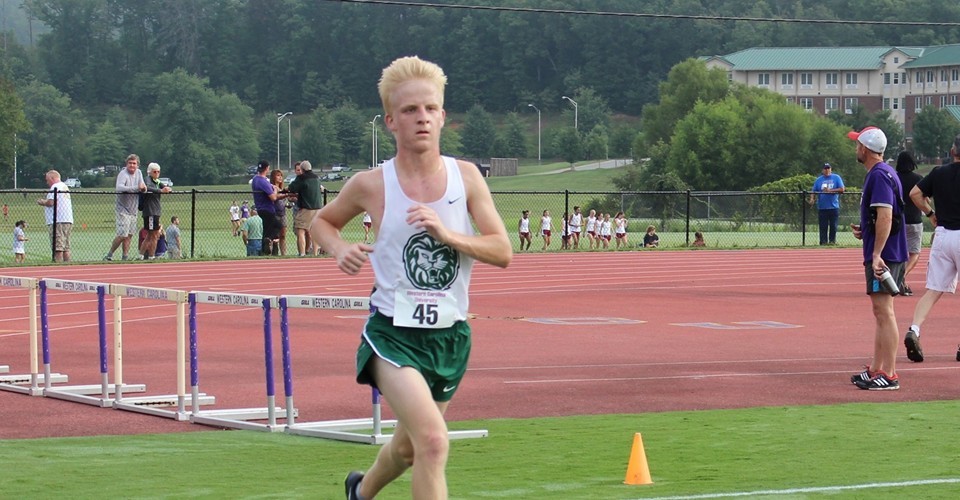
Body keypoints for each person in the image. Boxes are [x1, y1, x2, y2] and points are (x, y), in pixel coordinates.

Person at [309, 55, 512, 500]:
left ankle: (359, 492)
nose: (422, 117)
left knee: (406, 449)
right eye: (410, 110)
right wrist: (339, 248)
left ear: (443, 116)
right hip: (392, 335)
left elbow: (502, 251)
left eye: (430, 108)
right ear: (390, 121)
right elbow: (321, 222)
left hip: (450, 335)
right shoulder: (372, 184)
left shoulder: (466, 178)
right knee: (433, 443)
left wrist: (448, 234)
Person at [847, 126, 907, 391]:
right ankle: (876, 368)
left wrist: (876, 253)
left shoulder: (879, 175)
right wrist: (867, 231)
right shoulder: (884, 172)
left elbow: (885, 215)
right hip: (887, 251)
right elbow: (881, 217)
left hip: (885, 255)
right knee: (880, 311)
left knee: (884, 311)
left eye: (857, 144)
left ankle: (889, 374)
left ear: (865, 148)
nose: (856, 148)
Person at [902, 134, 960, 364]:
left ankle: (914, 329)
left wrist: (930, 213)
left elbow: (915, 194)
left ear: (953, 150)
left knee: (933, 290)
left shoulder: (939, 172)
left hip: (943, 235)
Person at [104, 154, 146, 261]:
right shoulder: (123, 174)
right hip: (122, 208)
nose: (132, 165)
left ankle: (125, 257)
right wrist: (136, 187)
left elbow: (143, 186)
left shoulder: (139, 173)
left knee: (130, 234)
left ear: (137, 165)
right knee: (122, 234)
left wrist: (143, 188)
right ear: (126, 164)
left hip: (133, 208)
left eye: (134, 163)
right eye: (130, 163)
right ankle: (109, 255)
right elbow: (119, 188)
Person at [895, 151, 924, 296]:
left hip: (897, 220)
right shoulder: (918, 179)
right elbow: (925, 198)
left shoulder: (894, 178)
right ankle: (903, 275)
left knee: (898, 252)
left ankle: (898, 277)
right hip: (914, 219)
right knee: (915, 253)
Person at [286, 160, 325, 256]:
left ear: (302, 169)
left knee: (300, 230)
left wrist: (284, 190)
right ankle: (315, 253)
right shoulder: (316, 178)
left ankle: (302, 253)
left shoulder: (302, 178)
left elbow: (292, 188)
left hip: (307, 208)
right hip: (318, 207)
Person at [251, 160, 288, 256]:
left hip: (260, 208)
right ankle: (269, 240)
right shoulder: (263, 182)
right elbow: (273, 197)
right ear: (267, 168)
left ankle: (264, 251)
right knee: (278, 226)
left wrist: (284, 194)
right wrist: (275, 190)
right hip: (267, 209)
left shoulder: (255, 179)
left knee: (267, 230)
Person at [36, 170, 74, 262]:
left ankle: (58, 264)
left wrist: (42, 202)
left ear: (52, 178)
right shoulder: (64, 186)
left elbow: (51, 202)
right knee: (66, 247)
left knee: (58, 247)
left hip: (58, 220)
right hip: (67, 219)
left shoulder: (55, 186)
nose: (47, 182)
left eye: (47, 180)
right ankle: (68, 266)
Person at [139, 162, 171, 260]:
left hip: (156, 211)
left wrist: (167, 189)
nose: (157, 173)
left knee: (151, 235)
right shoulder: (148, 179)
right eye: (155, 172)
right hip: (150, 211)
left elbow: (163, 186)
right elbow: (148, 187)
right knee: (153, 235)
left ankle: (141, 255)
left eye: (158, 172)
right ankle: (151, 256)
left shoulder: (156, 181)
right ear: (150, 172)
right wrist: (161, 191)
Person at [809, 163, 845, 245]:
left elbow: (842, 189)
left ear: (831, 169)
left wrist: (830, 190)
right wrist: (812, 199)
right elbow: (813, 191)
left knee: (833, 226)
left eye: (828, 168)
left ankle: (832, 242)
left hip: (833, 207)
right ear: (822, 170)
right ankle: (823, 242)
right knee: (823, 227)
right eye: (825, 168)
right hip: (822, 207)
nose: (827, 170)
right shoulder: (819, 180)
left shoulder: (836, 178)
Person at [270, 169, 289, 256]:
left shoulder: (282, 189)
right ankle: (273, 252)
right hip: (275, 213)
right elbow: (275, 197)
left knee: (283, 235)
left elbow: (283, 201)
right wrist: (285, 195)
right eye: (278, 175)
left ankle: (283, 254)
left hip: (283, 214)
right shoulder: (272, 187)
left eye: (281, 176)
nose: (280, 177)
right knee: (274, 236)